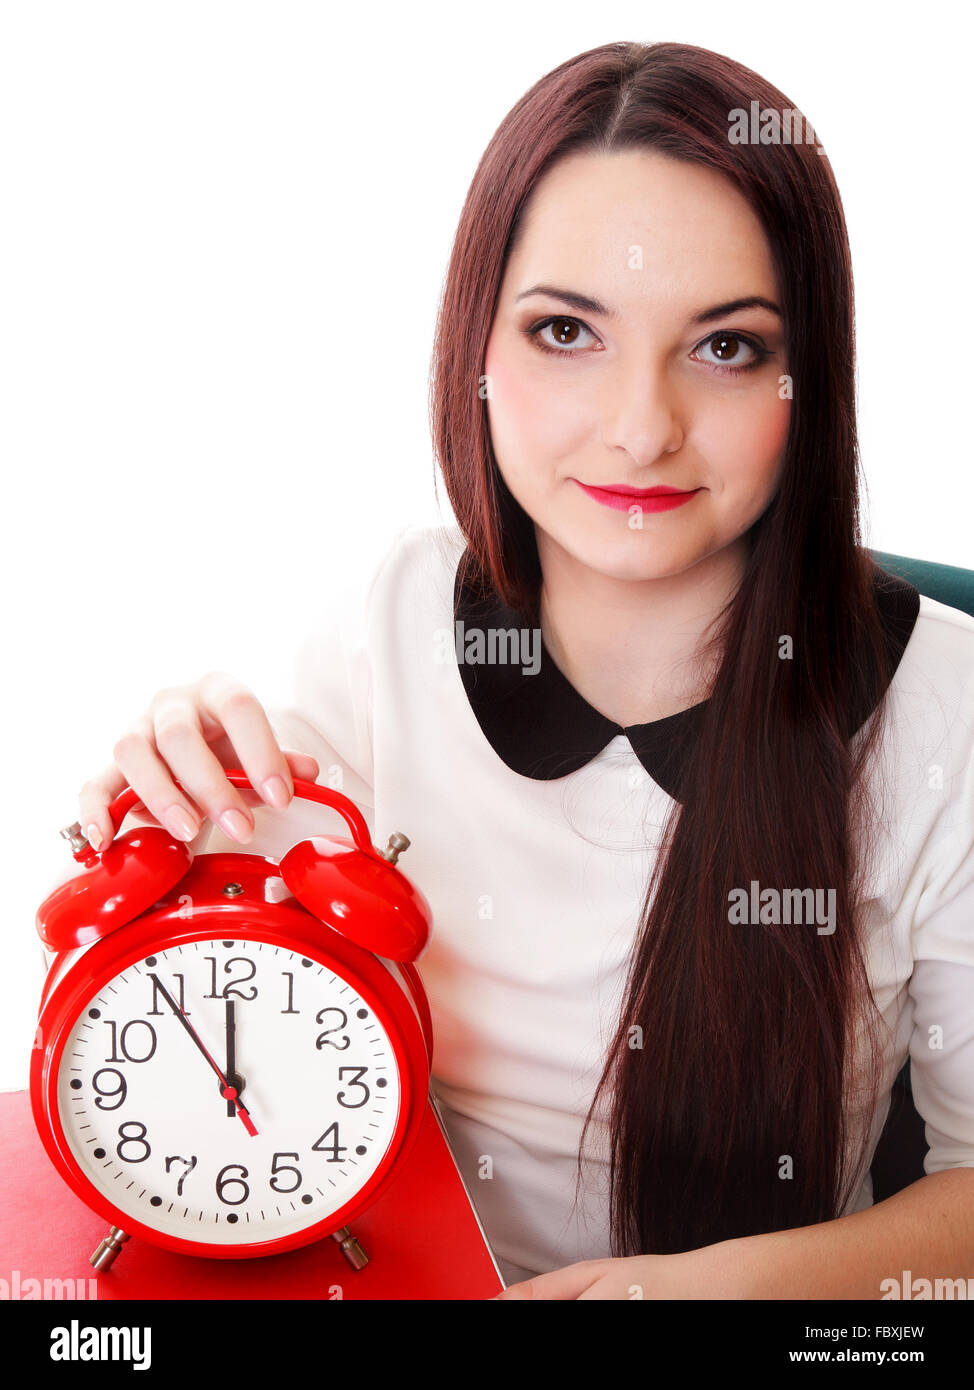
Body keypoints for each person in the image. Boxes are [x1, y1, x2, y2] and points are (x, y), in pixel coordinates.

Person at [76, 40, 974, 1299]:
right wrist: (156, 800)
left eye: (722, 346)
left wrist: (682, 1294)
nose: (638, 427)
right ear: (477, 352)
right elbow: (237, 991)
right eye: (566, 331)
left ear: (803, 373)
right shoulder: (390, 615)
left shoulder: (945, 708)